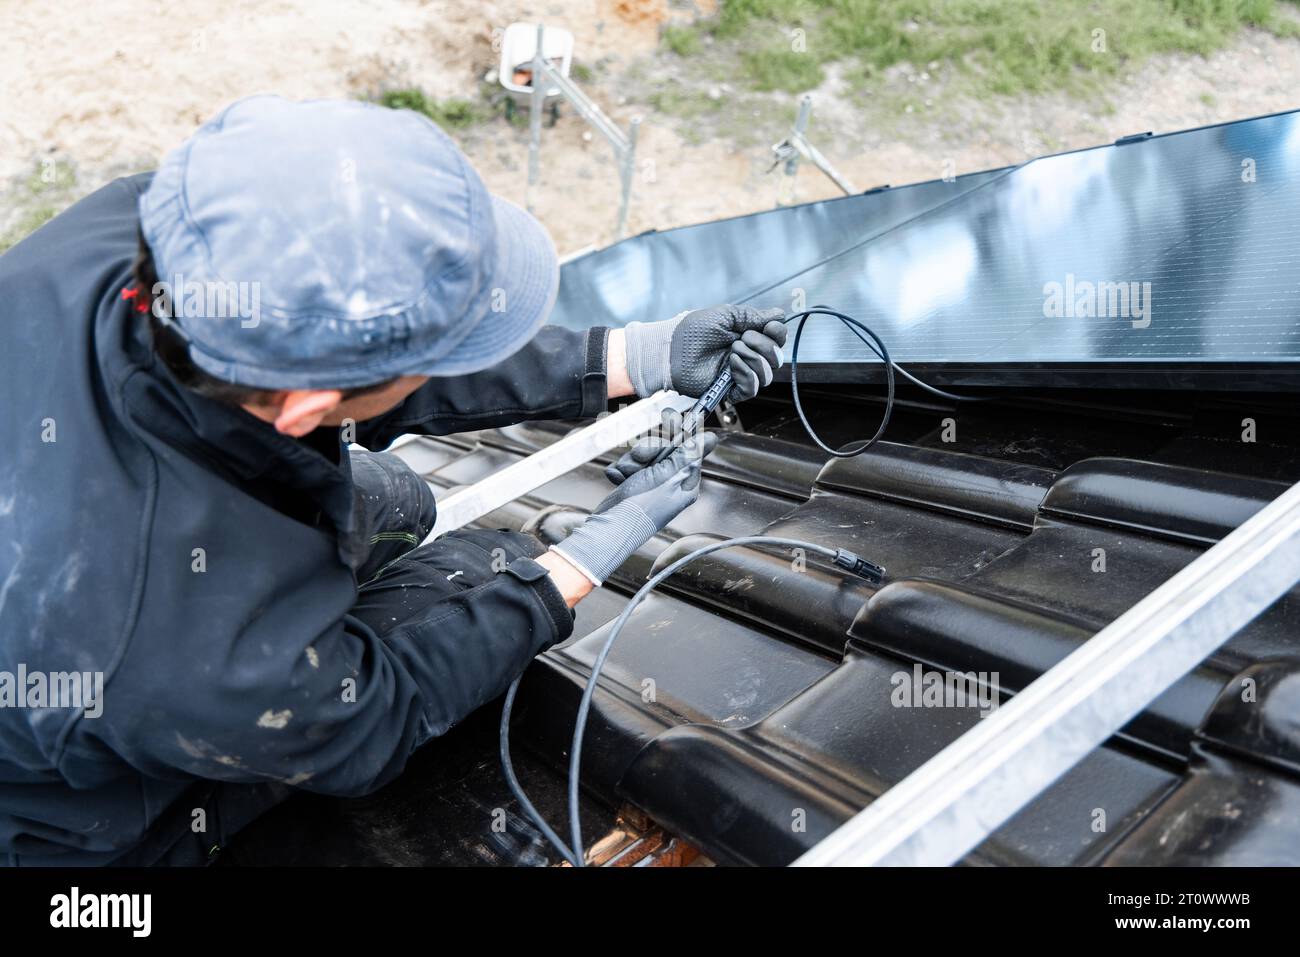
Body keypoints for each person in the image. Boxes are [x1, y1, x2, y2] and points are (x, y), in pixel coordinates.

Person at [0, 95, 787, 865]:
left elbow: (376, 354)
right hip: (76, 814)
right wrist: (573, 569)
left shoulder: (165, 229)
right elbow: (365, 722)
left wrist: (630, 356)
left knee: (402, 499)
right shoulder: (177, 645)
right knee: (473, 571)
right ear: (306, 405)